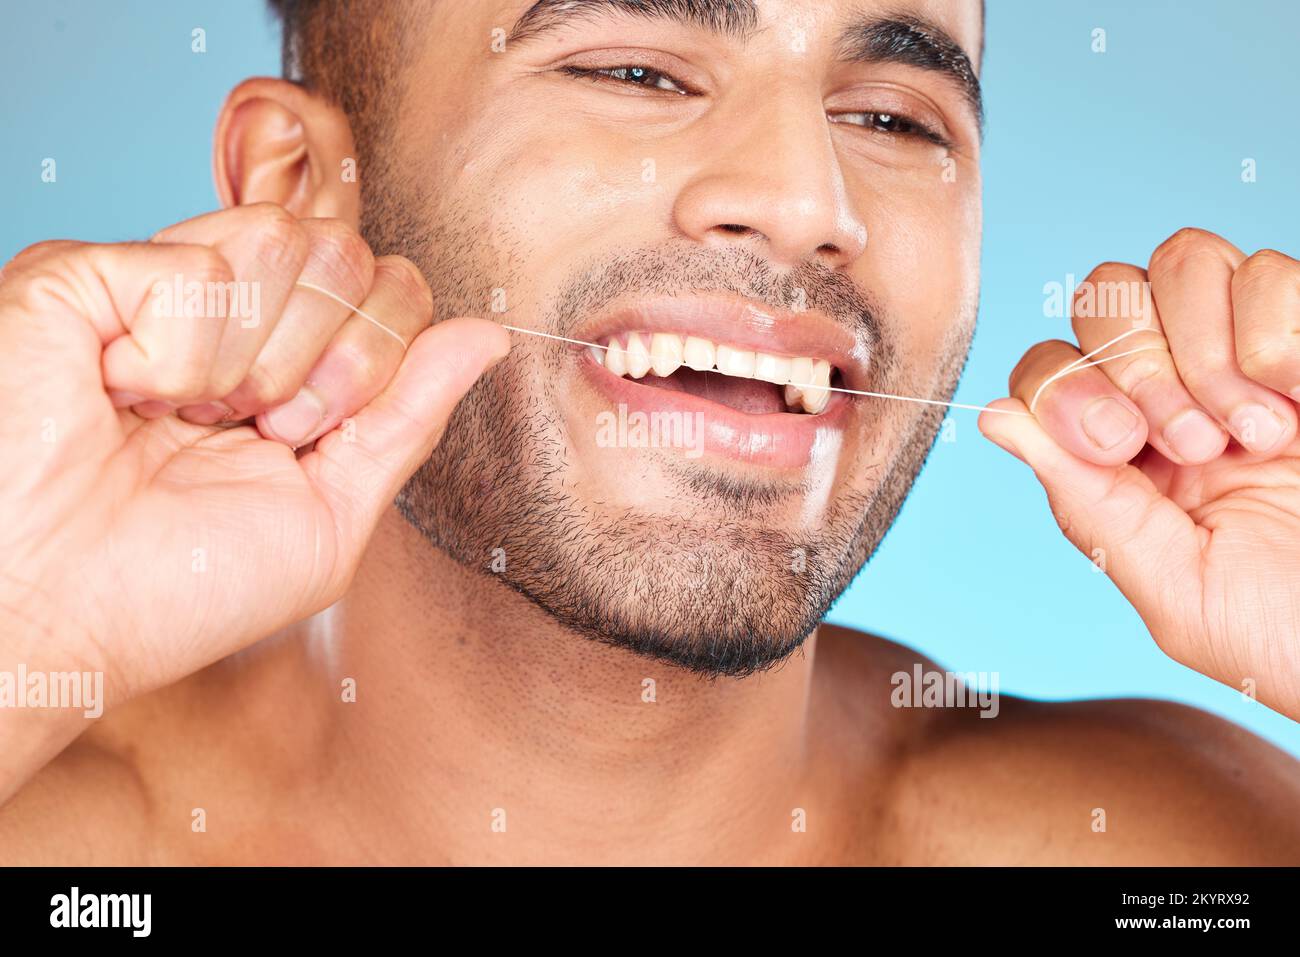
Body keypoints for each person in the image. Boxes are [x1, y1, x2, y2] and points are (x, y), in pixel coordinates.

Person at [1, 0, 1297, 865]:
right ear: (297, 187)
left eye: (895, 118)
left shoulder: (1174, 850)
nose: (804, 201)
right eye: (634, 69)